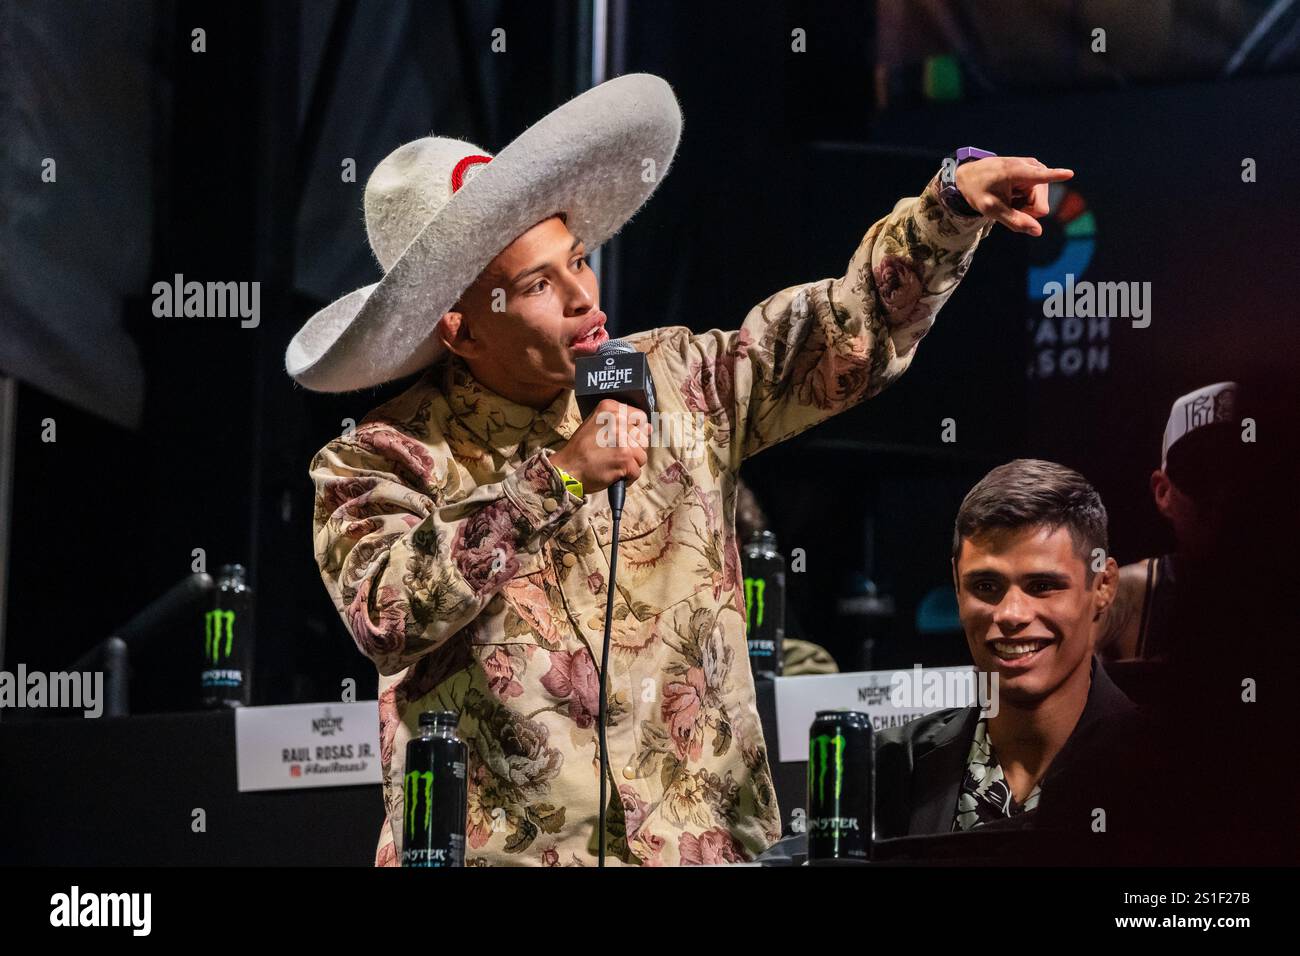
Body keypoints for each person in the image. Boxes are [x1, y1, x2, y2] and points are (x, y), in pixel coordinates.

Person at [288, 73, 1071, 866]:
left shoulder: (675, 380)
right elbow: (384, 616)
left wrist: (949, 209)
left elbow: (842, 335)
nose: (582, 298)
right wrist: (555, 481)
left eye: (580, 261)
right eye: (536, 284)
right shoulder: (376, 457)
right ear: (457, 329)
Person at [874, 460, 1136, 839]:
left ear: (1103, 586)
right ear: (957, 585)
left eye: (1043, 585)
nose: (1011, 614)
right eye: (985, 586)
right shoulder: (893, 768)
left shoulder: (1175, 771)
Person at [1097, 381, 1242, 663]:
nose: (1222, 496)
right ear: (1163, 492)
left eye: (1240, 473)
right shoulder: (1128, 597)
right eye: (1202, 475)